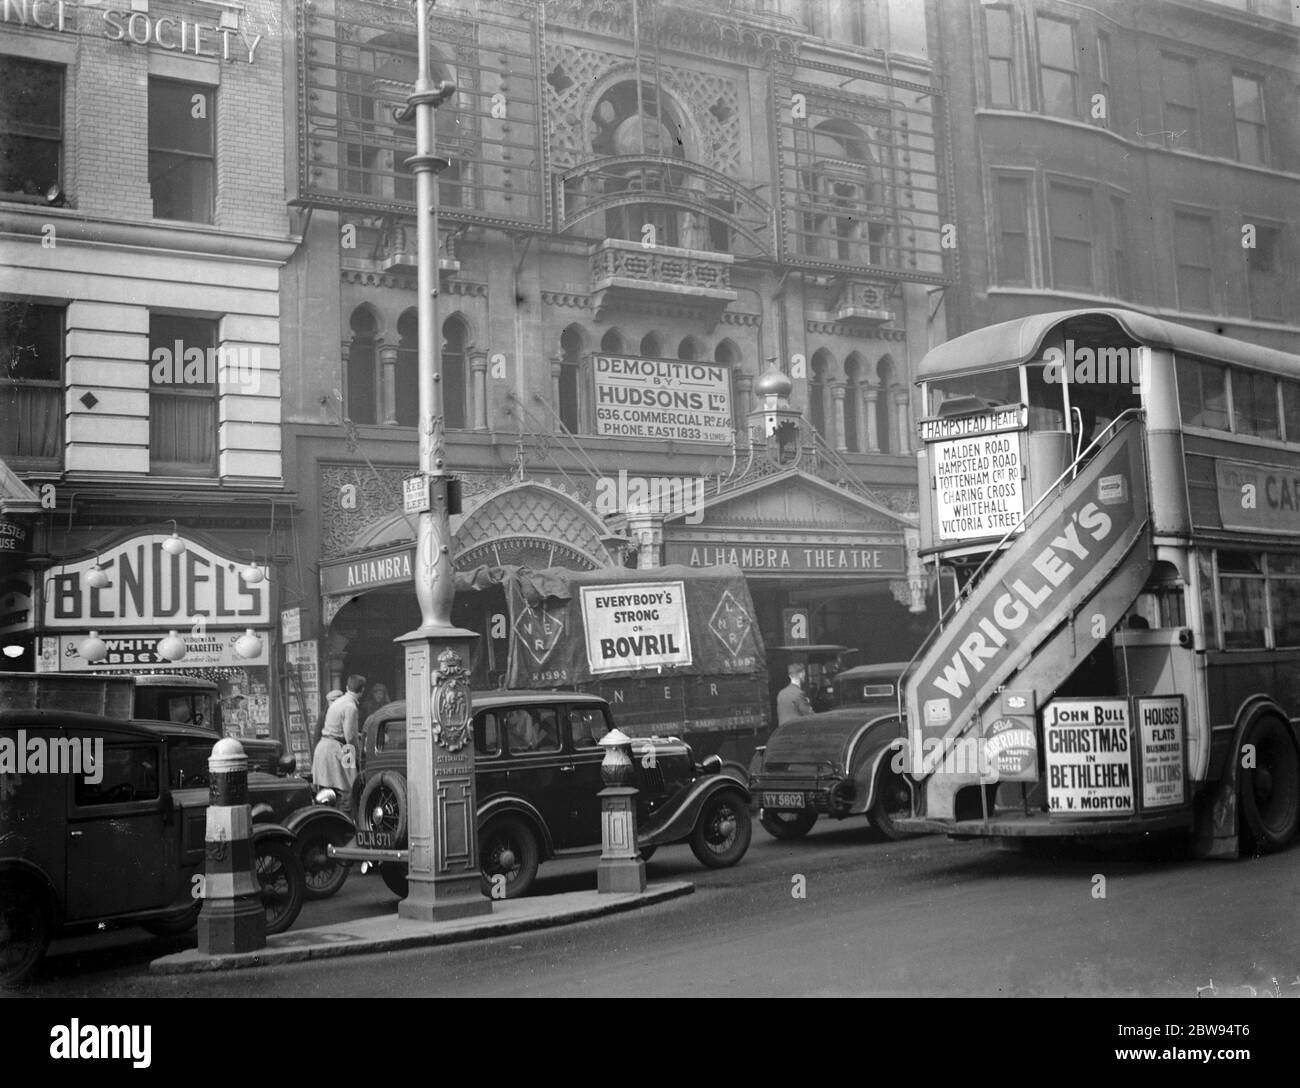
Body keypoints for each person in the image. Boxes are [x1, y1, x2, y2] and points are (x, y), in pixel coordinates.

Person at [312, 675, 363, 804]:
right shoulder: (351, 707)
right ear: (362, 690)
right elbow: (350, 737)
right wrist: (358, 755)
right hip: (341, 749)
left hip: (323, 747)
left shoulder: (339, 703)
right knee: (349, 790)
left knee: (325, 793)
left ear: (347, 687)